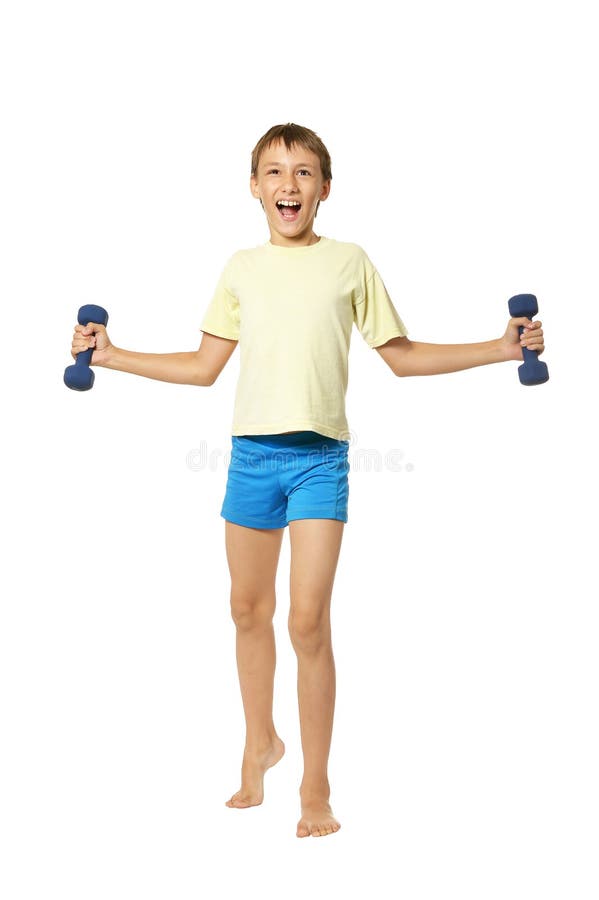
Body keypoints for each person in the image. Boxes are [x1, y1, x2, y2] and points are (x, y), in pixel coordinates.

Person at [70, 122, 545, 839]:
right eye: (273, 172)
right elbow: (202, 369)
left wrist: (499, 348)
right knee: (244, 609)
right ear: (254, 187)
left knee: (306, 620)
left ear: (325, 188)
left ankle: (315, 789)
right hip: (250, 459)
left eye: (302, 172)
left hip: (319, 460)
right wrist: (112, 356)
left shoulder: (349, 262)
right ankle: (259, 742)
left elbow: (403, 356)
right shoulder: (240, 267)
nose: (287, 184)